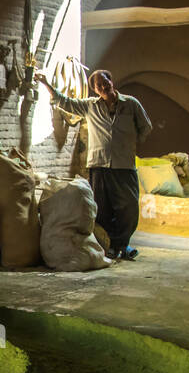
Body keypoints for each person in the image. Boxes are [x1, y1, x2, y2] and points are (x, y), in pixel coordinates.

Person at [35, 68, 152, 260]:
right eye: (98, 86)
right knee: (102, 209)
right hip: (99, 166)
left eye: (105, 82)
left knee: (129, 208)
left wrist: (127, 144)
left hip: (124, 166)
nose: (103, 87)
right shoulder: (90, 106)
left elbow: (145, 128)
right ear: (95, 90)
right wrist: (47, 84)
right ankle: (112, 246)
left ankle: (123, 244)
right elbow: (66, 102)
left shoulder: (131, 104)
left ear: (111, 81)